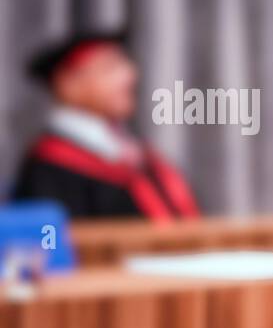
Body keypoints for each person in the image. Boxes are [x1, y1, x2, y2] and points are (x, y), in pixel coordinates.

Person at [10, 30, 199, 221]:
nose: (129, 76)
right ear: (68, 84)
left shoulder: (138, 156)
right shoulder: (50, 166)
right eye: (109, 68)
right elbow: (48, 244)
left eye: (125, 65)